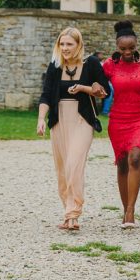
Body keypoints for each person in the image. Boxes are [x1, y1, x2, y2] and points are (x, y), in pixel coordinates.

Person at [36, 27, 110, 231]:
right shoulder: (55, 65)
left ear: (79, 45)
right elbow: (46, 94)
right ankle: (69, 211)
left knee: (73, 165)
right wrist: (41, 119)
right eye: (62, 44)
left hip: (82, 120)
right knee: (62, 170)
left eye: (69, 44)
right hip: (59, 121)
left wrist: (83, 88)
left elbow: (105, 92)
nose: (65, 48)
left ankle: (73, 212)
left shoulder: (91, 64)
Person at [102, 20, 140, 228]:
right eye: (123, 49)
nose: (127, 52)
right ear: (117, 46)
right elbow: (95, 80)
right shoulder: (109, 65)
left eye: (131, 48)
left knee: (135, 158)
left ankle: (131, 211)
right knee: (122, 164)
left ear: (136, 45)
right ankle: (124, 209)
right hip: (118, 119)